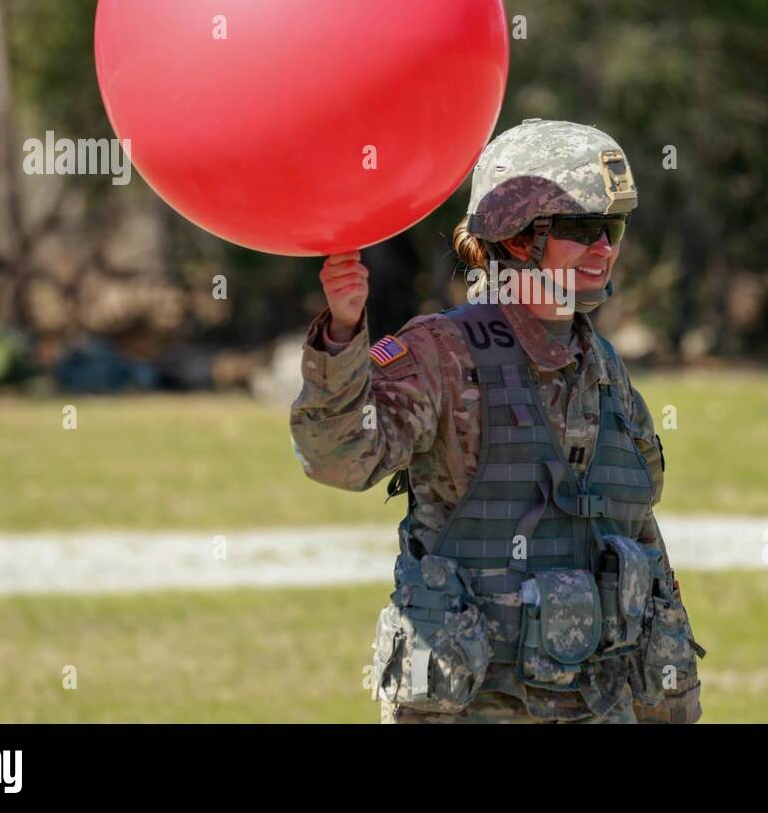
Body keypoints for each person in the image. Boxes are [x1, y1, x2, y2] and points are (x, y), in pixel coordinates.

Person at [290, 118, 705, 723]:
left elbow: (638, 535)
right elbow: (338, 458)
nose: (606, 248)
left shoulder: (604, 366)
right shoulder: (443, 352)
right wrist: (345, 333)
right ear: (516, 237)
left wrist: (673, 700)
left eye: (612, 228)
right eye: (582, 228)